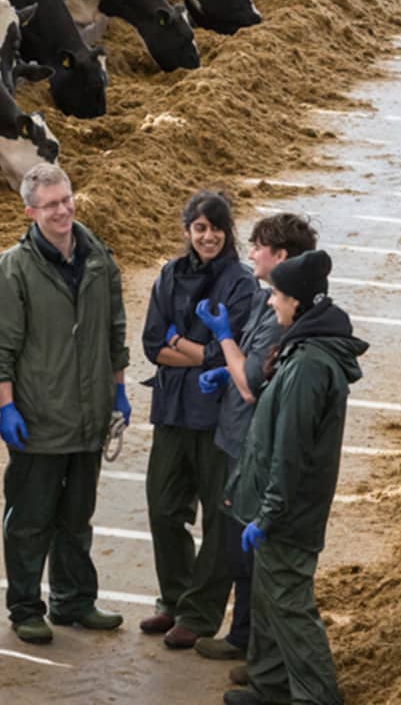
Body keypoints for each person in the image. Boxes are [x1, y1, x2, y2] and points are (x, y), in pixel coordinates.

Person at [0, 162, 133, 645]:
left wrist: (119, 387)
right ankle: (26, 607)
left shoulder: (97, 258)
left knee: (76, 514)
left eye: (67, 199)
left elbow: (114, 329)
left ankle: (74, 601)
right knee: (29, 518)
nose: (63, 210)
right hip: (39, 416)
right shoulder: (13, 269)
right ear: (30, 211)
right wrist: (7, 406)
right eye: (51, 205)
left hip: (89, 415)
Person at [223, 250, 366, 705]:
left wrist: (268, 515)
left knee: (288, 603)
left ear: (299, 303)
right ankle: (270, 687)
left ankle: (316, 698)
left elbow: (290, 453)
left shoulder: (307, 365)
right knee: (268, 598)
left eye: (277, 297)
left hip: (289, 512)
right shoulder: (303, 349)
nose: (271, 304)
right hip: (282, 507)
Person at [192, 213, 318, 667]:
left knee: (250, 553)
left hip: (252, 445)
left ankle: (251, 646)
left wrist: (223, 340)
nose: (249, 254)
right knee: (241, 549)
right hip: (239, 436)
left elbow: (250, 383)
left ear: (280, 256)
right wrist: (220, 374)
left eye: (257, 247)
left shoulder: (283, 310)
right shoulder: (273, 299)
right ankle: (247, 640)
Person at [138, 191, 258, 649]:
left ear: (228, 232)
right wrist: (200, 350)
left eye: (216, 228)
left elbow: (228, 356)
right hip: (171, 411)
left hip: (218, 419)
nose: (207, 236)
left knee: (218, 518)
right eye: (199, 227)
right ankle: (174, 598)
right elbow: (153, 344)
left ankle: (200, 612)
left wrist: (184, 347)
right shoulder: (169, 274)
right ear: (188, 230)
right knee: (163, 507)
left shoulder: (240, 283)